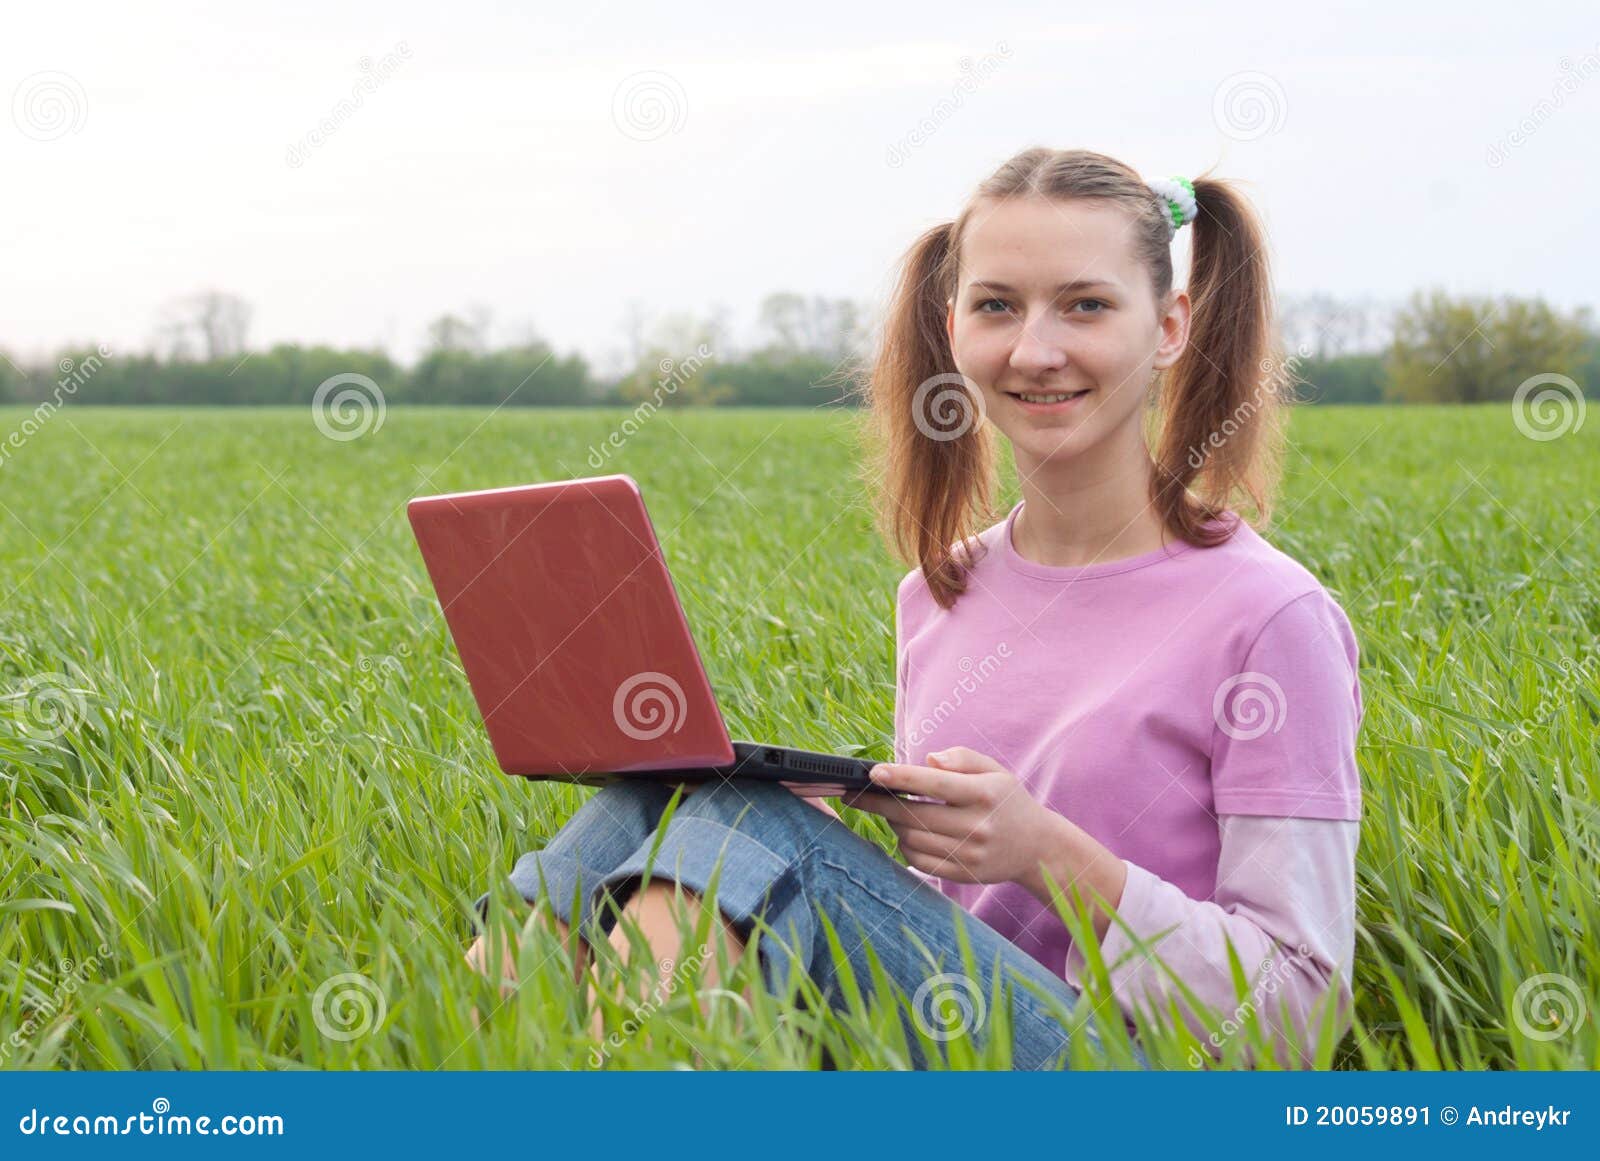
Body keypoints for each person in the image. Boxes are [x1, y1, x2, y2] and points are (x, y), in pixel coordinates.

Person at [465, 146, 1363, 1069]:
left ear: (1169, 325)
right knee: (663, 799)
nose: (1035, 349)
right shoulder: (942, 593)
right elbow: (949, 925)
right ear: (953, 326)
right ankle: (471, 1066)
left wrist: (1046, 853)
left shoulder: (1268, 616)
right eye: (997, 305)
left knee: (745, 831)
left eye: (1087, 305)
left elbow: (1299, 1012)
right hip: (949, 1046)